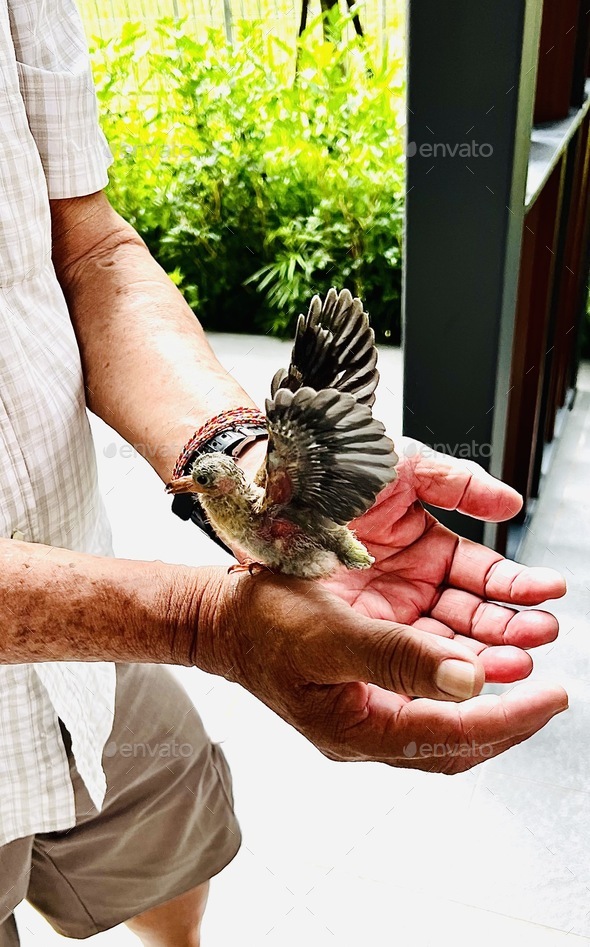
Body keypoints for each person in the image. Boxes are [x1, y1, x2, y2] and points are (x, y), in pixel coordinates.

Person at [0, 0, 568, 943]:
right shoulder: (209, 585)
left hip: (81, 640)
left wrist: (244, 446)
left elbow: (88, 247)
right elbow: (210, 602)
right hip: (103, 623)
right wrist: (204, 623)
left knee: (177, 802)